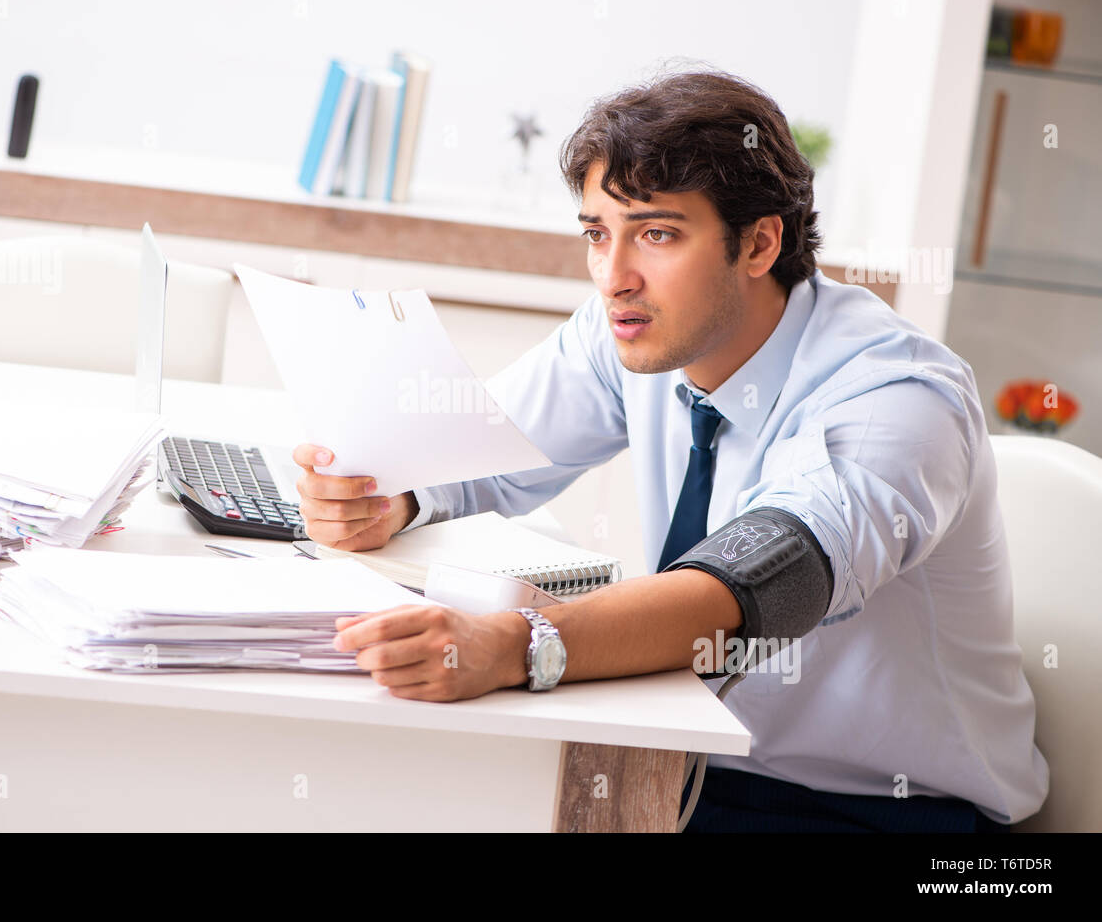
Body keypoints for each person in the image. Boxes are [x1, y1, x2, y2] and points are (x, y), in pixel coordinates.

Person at [291, 69, 1048, 832]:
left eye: (656, 233)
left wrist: (516, 645)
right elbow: (477, 449)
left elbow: (758, 583)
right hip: (686, 763)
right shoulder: (637, 330)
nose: (614, 278)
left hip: (890, 813)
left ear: (758, 243)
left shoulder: (900, 396)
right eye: (597, 233)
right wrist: (396, 495)